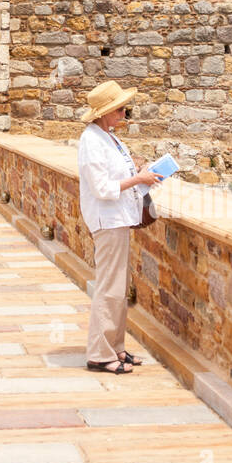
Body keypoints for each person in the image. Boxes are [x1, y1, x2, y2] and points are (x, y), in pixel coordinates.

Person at [77, 80, 161, 374]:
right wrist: (139, 180)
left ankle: (116, 347)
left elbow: (118, 175)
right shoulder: (91, 141)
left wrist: (141, 173)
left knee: (119, 287)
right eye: (120, 108)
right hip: (108, 221)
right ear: (104, 112)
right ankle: (100, 353)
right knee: (109, 288)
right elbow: (102, 188)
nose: (124, 113)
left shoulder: (109, 137)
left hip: (119, 219)